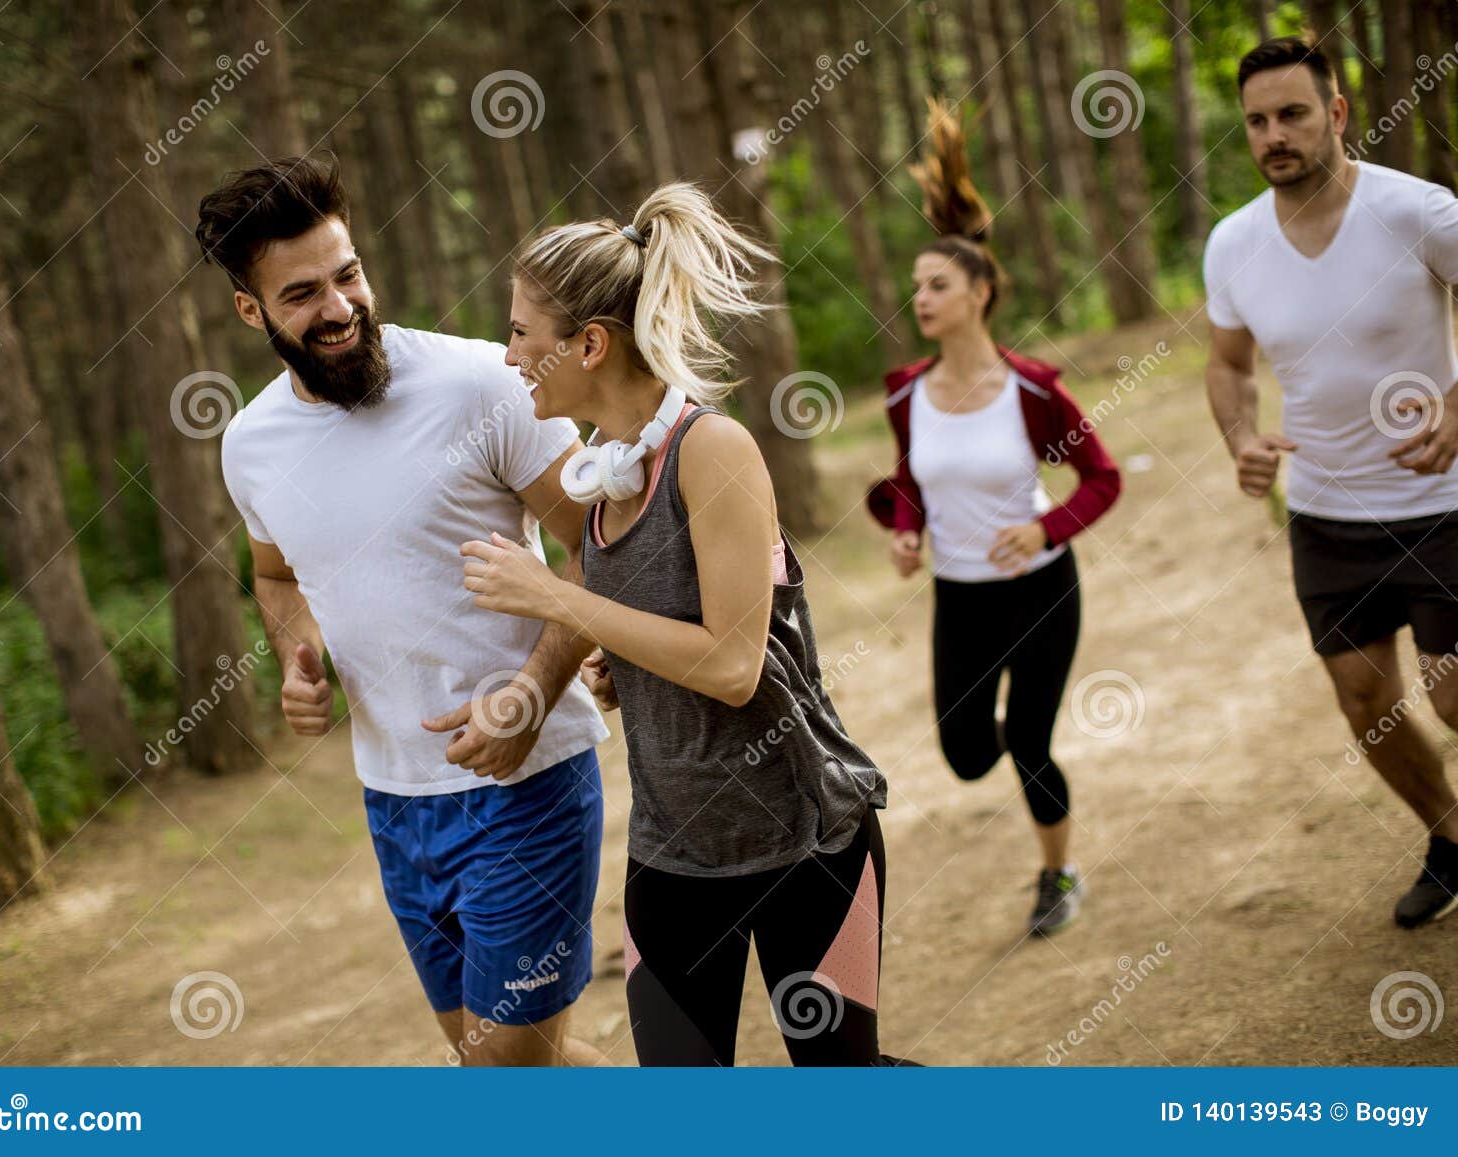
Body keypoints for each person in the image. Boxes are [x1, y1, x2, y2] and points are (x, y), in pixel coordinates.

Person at [458, 183, 905, 1066]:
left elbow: (735, 666)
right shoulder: (599, 480)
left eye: (519, 333)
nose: (507, 356)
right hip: (672, 851)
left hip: (803, 838)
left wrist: (560, 600)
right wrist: (625, 668)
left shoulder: (714, 452)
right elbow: (676, 636)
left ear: (588, 343)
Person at [198, 156, 612, 1063]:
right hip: (394, 801)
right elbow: (274, 576)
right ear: (250, 310)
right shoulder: (251, 444)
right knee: (497, 1064)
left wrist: (536, 690)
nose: (341, 307)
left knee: (505, 1069)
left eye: (347, 274)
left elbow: (599, 545)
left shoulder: (485, 386)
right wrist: (295, 655)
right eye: (301, 293)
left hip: (528, 781)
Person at [1203, 36, 1458, 930]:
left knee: (1453, 692)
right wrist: (1241, 436)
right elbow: (1229, 363)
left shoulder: (1417, 211)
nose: (1274, 134)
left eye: (1293, 114)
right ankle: (1451, 836)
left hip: (1442, 503)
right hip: (1325, 516)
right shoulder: (1233, 243)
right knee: (1365, 703)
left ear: (1338, 113)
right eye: (1258, 121)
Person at [866, 100, 1122, 935]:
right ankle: (1022, 732)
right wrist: (907, 524)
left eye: (936, 284)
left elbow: (1103, 477)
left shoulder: (1037, 390)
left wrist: (1047, 529)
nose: (921, 298)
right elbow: (910, 475)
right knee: (969, 752)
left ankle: (1060, 874)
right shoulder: (906, 390)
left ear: (980, 292)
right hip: (962, 596)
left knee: (1033, 744)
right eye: (915, 287)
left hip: (1040, 589)